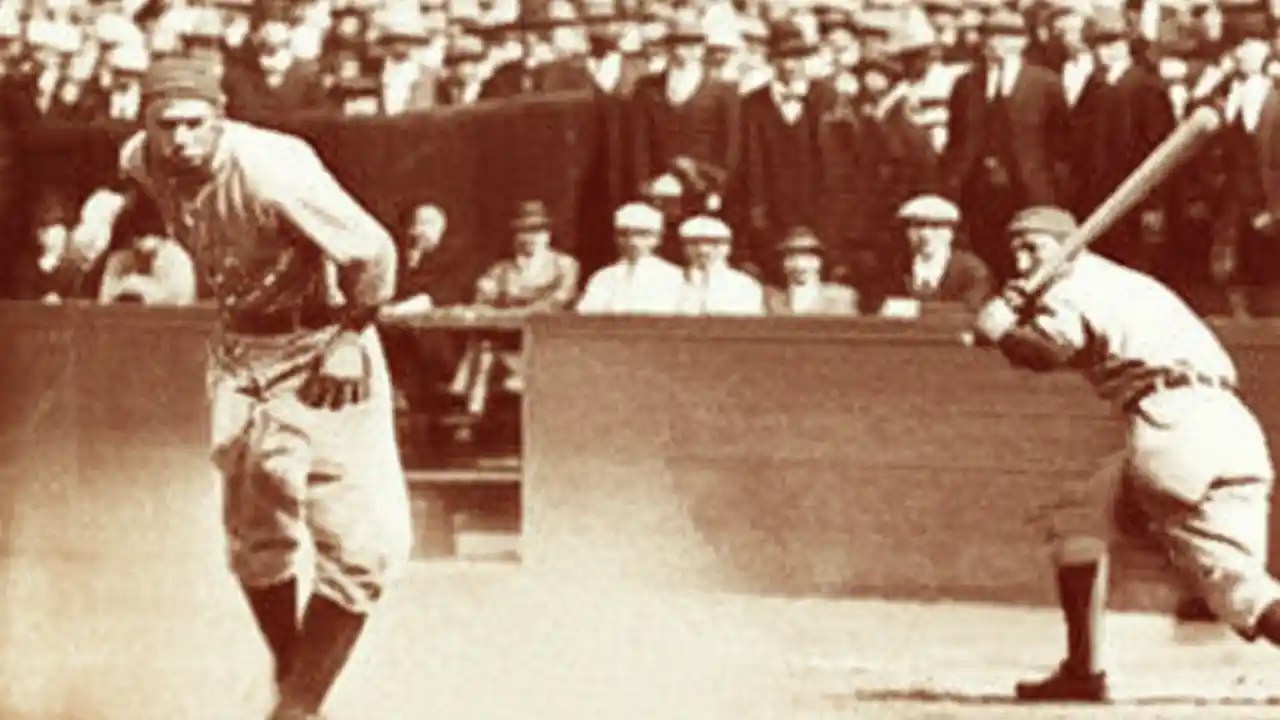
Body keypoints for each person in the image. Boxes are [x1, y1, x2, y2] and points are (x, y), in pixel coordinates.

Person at [68, 56, 408, 720]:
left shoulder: (273, 169)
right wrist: (99, 212)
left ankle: (297, 708)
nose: (181, 140)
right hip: (241, 351)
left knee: (361, 545)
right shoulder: (147, 153)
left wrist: (348, 336)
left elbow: (374, 252)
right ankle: (294, 681)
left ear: (222, 120)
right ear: (148, 123)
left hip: (322, 348)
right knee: (255, 538)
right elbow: (122, 174)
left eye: (195, 124)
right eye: (166, 124)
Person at [971, 206, 1280, 703]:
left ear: (1069, 245)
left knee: (1237, 590)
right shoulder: (1123, 280)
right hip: (1230, 424)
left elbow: (1048, 351)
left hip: (1175, 426)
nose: (1023, 259)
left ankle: (1082, 672)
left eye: (1035, 247)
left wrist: (1002, 331)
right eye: (1016, 250)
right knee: (1079, 518)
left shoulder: (1070, 288)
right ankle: (1082, 671)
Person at [577, 202, 685, 314]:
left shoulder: (675, 277)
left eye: (642, 234)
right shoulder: (604, 277)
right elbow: (588, 314)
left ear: (658, 238)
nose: (632, 241)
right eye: (625, 234)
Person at [763, 227, 857, 315]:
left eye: (807, 254)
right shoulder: (774, 303)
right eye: (791, 254)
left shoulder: (840, 298)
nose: (798, 262)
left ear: (819, 262)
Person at [98, 231, 197, 305]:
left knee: (129, 283)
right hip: (183, 301)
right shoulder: (175, 249)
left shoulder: (150, 245)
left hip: (167, 299)